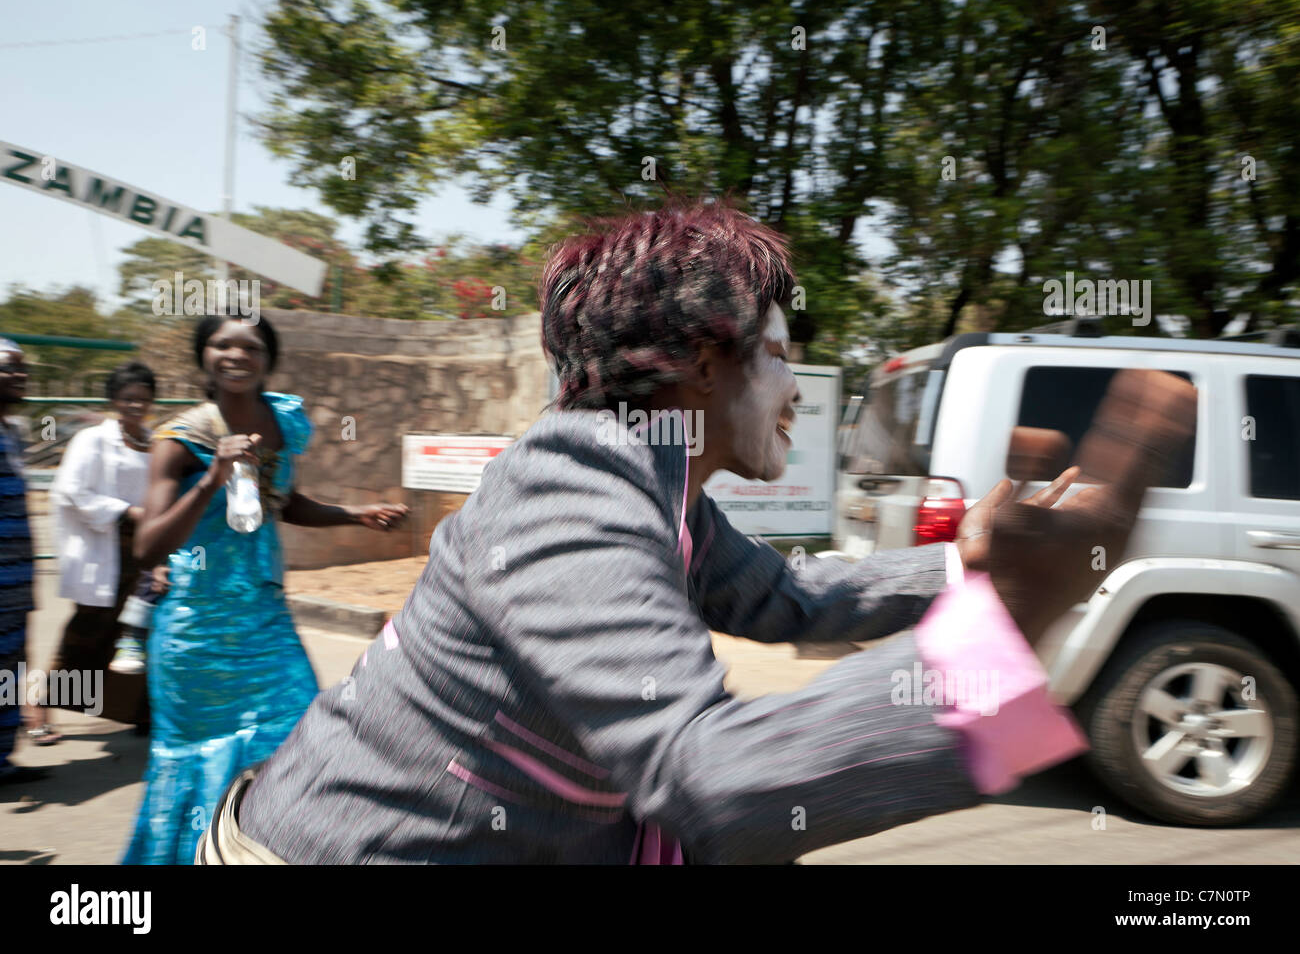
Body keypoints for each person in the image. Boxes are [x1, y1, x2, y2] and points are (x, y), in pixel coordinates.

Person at [202, 201, 1196, 864]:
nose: (795, 394)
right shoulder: (574, 485)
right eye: (776, 355)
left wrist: (965, 558)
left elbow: (796, 599)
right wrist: (1011, 624)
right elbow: (708, 775)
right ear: (698, 361)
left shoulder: (656, 484)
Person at [121, 312, 409, 865]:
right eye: (222, 345)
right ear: (204, 356)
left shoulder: (281, 423)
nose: (236, 355)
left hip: (266, 624)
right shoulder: (180, 440)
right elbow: (149, 547)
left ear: (268, 360)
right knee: (202, 770)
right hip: (196, 637)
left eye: (250, 346)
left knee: (298, 731)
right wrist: (211, 478)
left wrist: (355, 514)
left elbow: (283, 501)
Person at [28, 362, 158, 744]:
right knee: (87, 632)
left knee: (136, 631)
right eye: (128, 399)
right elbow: (71, 490)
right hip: (104, 549)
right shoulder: (92, 440)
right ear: (114, 400)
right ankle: (39, 704)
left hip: (142, 552)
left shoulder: (154, 441)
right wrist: (125, 511)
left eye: (143, 399)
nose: (136, 406)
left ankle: (139, 711)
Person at [0, 338, 44, 786]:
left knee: (10, 670)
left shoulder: (13, 432)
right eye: (8, 368)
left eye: (22, 369)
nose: (18, 376)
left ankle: (1, 761)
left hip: (15, 581)